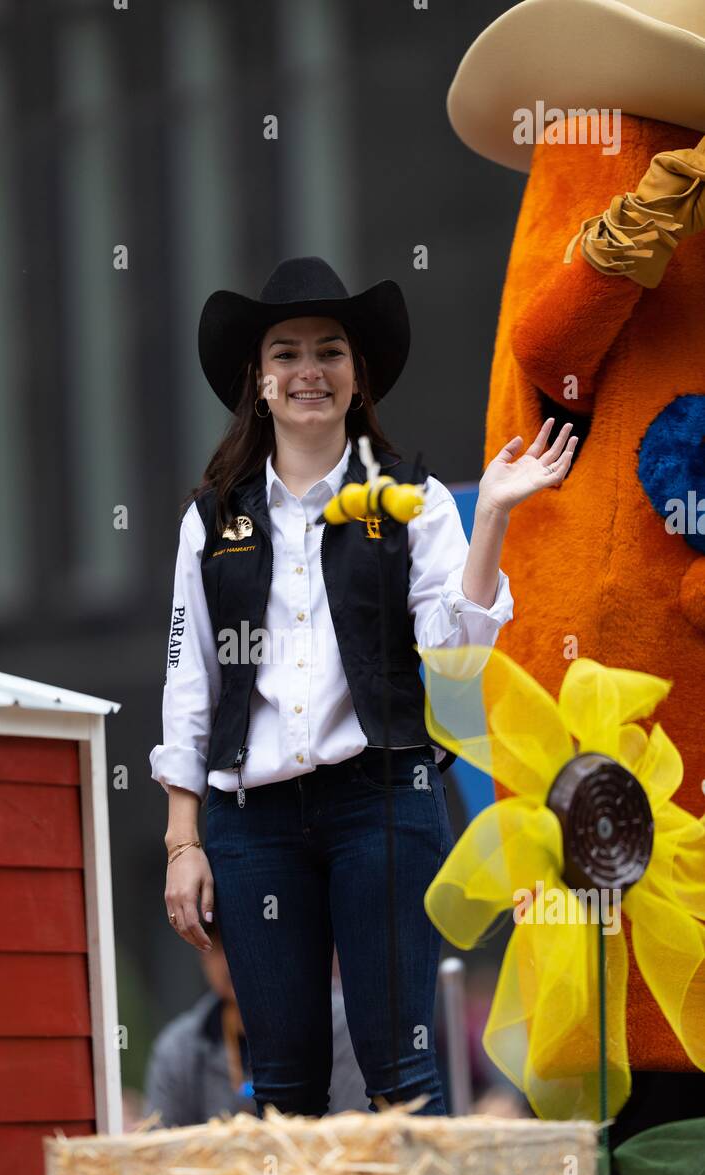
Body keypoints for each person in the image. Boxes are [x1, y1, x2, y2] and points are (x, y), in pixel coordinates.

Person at [150, 255, 577, 1120]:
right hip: (250, 821)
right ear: (258, 381)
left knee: (403, 1080)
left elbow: (452, 653)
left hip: (381, 804)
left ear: (356, 376)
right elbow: (187, 681)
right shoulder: (211, 517)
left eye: (330, 351)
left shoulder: (412, 502)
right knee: (283, 1090)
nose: (309, 370)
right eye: (287, 353)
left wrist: (489, 514)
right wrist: (182, 841)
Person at [142, 926, 369, 1127]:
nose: (232, 957)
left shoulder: (341, 1022)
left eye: (244, 936)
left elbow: (357, 1134)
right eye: (218, 945)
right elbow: (159, 1152)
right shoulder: (179, 1047)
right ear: (202, 957)